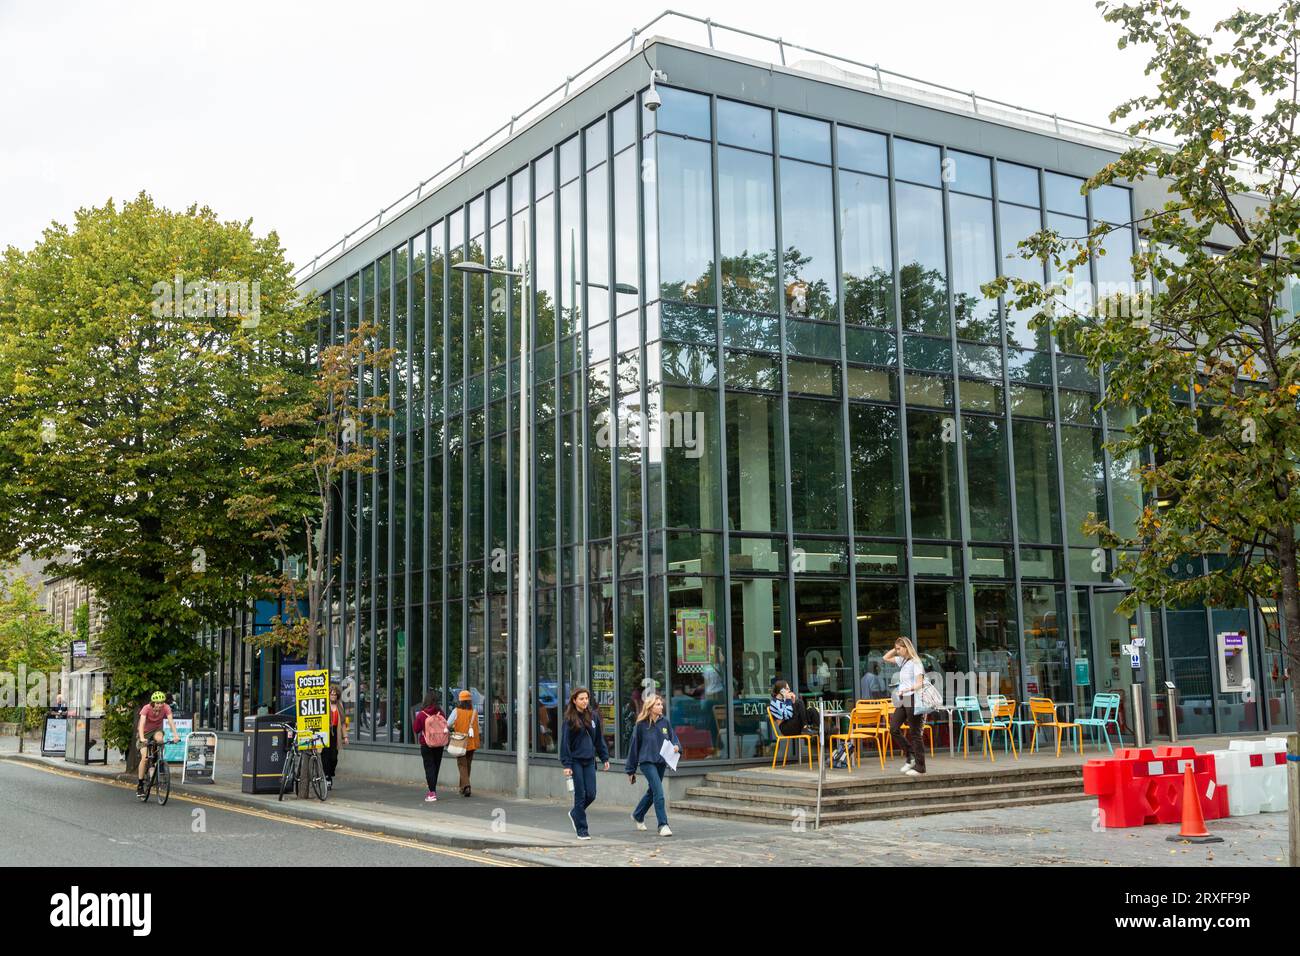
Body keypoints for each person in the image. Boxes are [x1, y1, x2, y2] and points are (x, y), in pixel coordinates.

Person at [624, 693, 680, 837]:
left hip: (661, 762)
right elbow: (634, 747)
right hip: (647, 762)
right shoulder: (641, 725)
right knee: (659, 792)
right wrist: (630, 770)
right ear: (650, 707)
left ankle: (638, 814)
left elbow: (674, 738)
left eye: (661, 704)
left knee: (652, 791)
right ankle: (663, 825)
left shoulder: (665, 722)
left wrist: (676, 746)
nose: (661, 707)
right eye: (658, 704)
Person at [559, 686, 609, 840]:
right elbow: (565, 743)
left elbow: (599, 739)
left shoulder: (593, 717)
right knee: (580, 795)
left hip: (589, 760)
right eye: (581, 699)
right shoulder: (569, 719)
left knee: (591, 794)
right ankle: (582, 829)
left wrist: (604, 758)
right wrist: (567, 765)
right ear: (574, 701)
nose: (585, 701)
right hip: (575, 762)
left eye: (586, 698)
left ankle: (575, 812)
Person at [884, 637, 928, 776]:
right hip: (904, 699)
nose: (897, 651)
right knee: (894, 728)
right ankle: (911, 755)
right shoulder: (902, 661)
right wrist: (896, 646)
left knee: (915, 733)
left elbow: (920, 683)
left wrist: (907, 690)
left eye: (899, 649)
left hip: (913, 698)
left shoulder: (916, 663)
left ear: (907, 648)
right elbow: (885, 657)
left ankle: (921, 767)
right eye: (896, 649)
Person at [136, 692, 179, 797]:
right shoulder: (146, 708)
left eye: (161, 703)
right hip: (144, 732)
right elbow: (141, 724)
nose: (160, 705)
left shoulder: (166, 707)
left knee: (160, 739)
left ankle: (158, 762)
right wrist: (142, 738)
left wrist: (176, 735)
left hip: (156, 731)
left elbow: (171, 721)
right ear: (153, 702)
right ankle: (140, 785)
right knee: (145, 758)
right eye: (157, 703)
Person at [413, 691, 448, 802]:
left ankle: (432, 793)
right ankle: (433, 790)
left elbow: (416, 729)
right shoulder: (441, 713)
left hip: (426, 744)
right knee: (436, 767)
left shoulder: (422, 714)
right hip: (440, 744)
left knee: (429, 768)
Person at [447, 690, 480, 797]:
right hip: (472, 742)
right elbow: (477, 727)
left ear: (460, 700)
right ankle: (463, 788)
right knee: (467, 765)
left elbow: (448, 724)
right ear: (470, 700)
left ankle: (466, 786)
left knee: (462, 764)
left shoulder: (456, 711)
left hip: (460, 742)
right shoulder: (474, 712)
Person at [321, 685, 348, 791]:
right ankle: (327, 777)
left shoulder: (339, 706)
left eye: (335, 694)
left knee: (334, 757)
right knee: (325, 756)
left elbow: (343, 723)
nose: (333, 696)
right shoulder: (324, 705)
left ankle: (330, 773)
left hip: (335, 734)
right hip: (325, 733)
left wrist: (345, 736)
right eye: (331, 694)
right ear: (328, 695)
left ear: (337, 696)